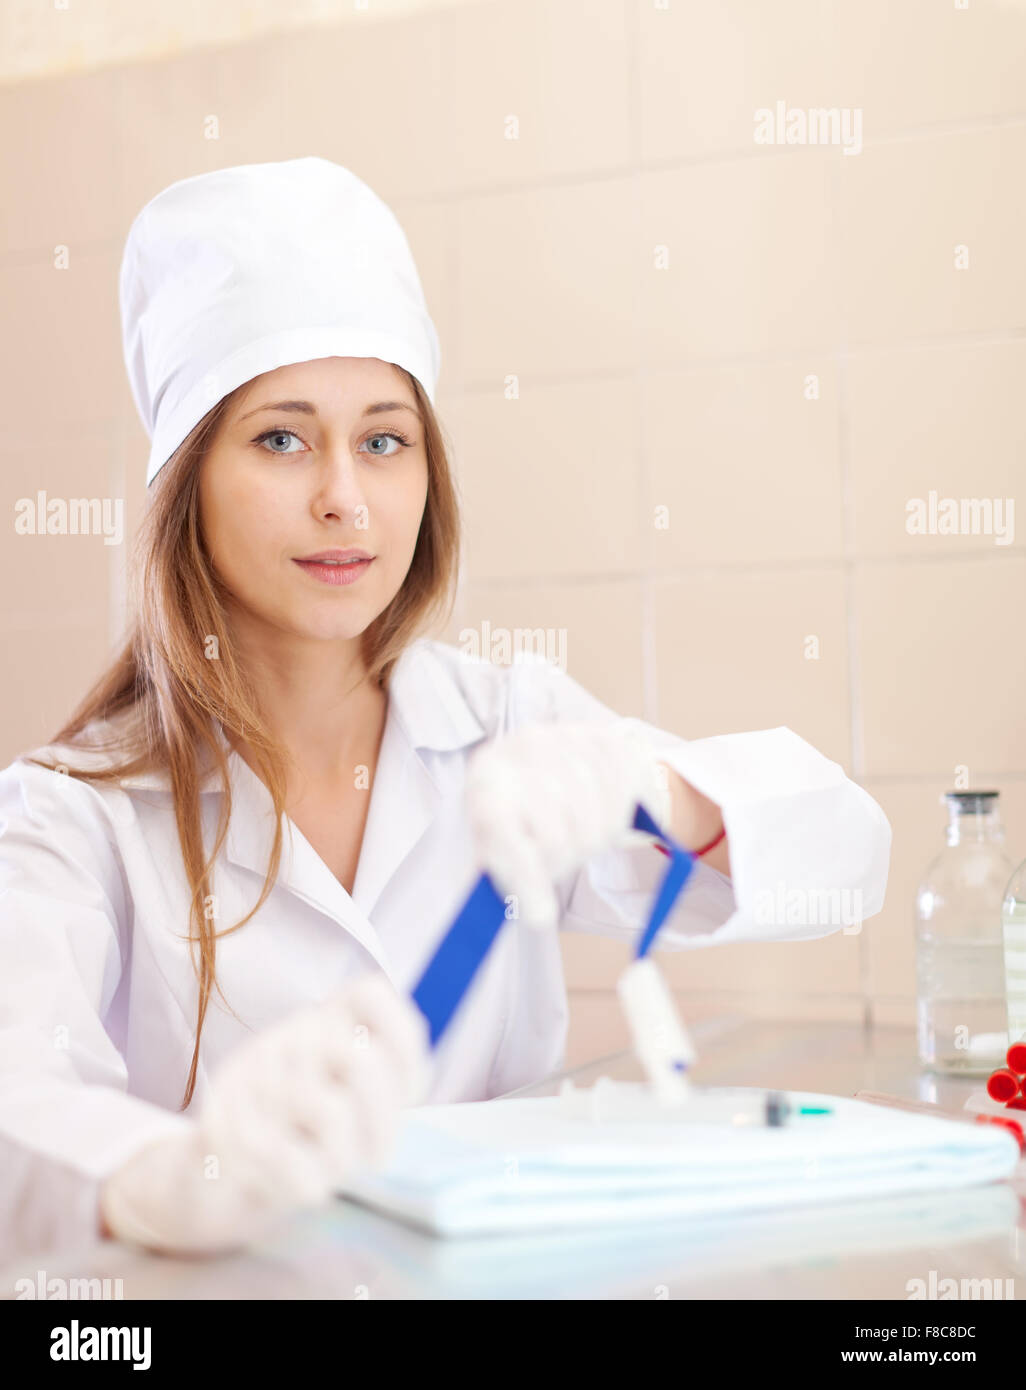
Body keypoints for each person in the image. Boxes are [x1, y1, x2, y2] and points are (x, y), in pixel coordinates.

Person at [0, 158, 892, 1259]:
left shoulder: (506, 728)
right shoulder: (68, 816)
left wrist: (658, 792)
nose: (346, 495)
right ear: (187, 481)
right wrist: (164, 1180)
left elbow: (844, 854)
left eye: (385, 439)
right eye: (282, 437)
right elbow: (14, 1103)